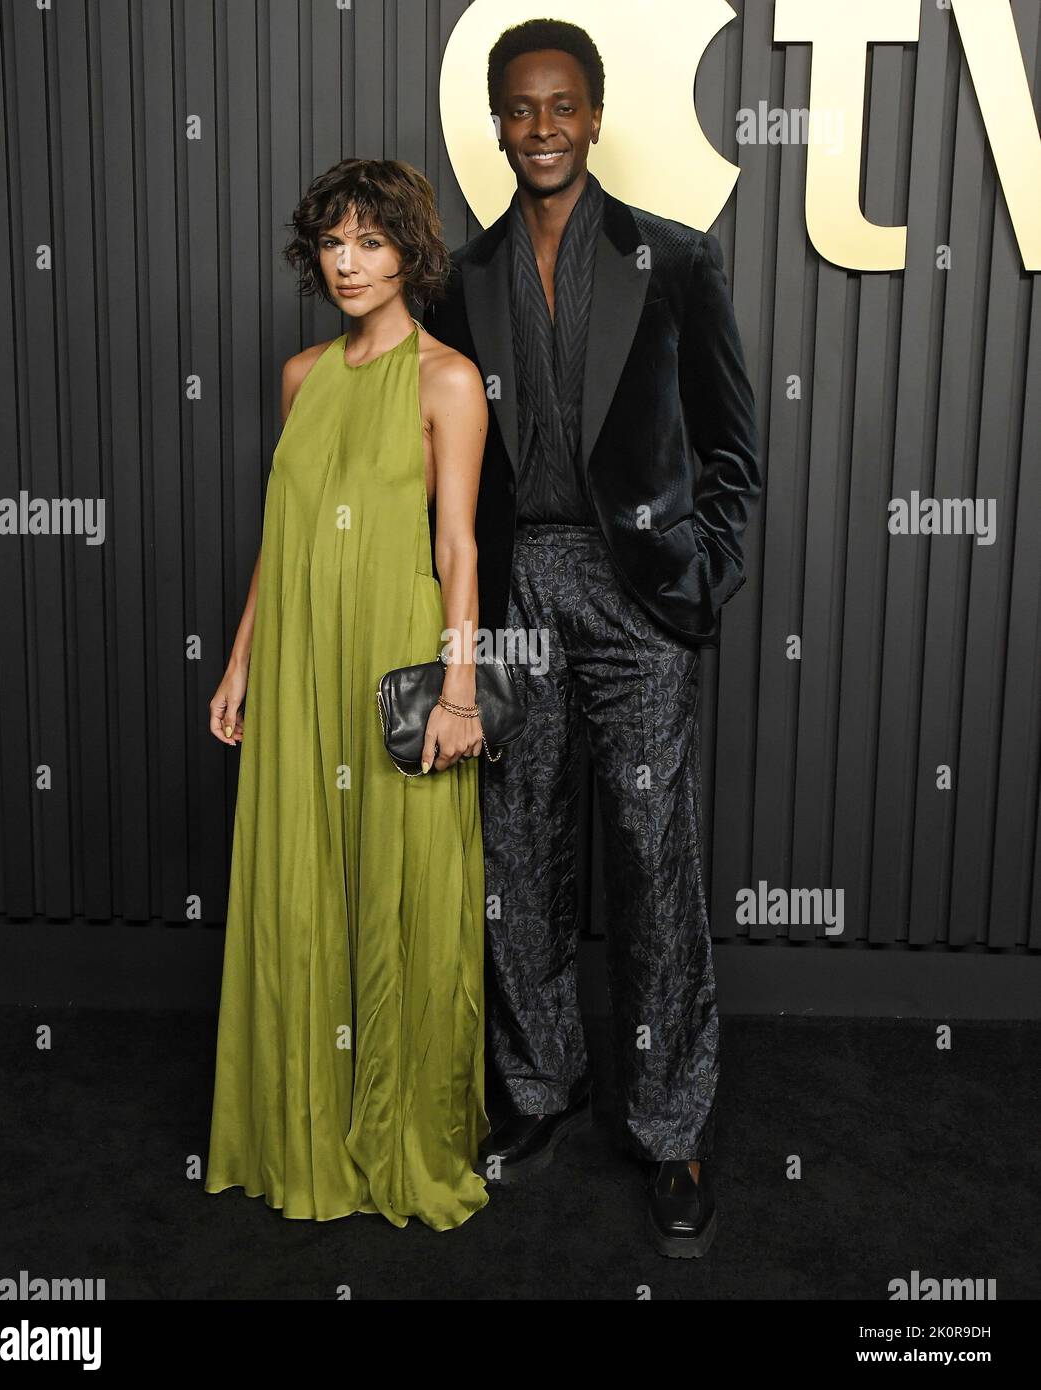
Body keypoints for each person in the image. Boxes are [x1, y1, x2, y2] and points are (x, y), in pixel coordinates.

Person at [423, 18, 761, 1257]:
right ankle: (539, 1087)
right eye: (520, 108)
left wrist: (693, 583)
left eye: (562, 105)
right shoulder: (459, 282)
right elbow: (447, 477)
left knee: (650, 858)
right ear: (499, 124)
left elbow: (730, 450)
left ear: (597, 115)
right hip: (517, 591)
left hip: (633, 597)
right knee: (517, 850)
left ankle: (668, 1126)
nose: (541, 127)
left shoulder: (675, 261)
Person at [204, 158, 491, 1231]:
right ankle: (305, 1128)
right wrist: (242, 659)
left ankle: (397, 1131)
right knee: (301, 879)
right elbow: (281, 538)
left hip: (391, 656)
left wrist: (459, 690)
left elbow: (458, 547)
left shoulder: (446, 380)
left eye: (371, 242)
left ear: (409, 252)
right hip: (298, 662)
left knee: (396, 884)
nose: (348, 262)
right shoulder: (299, 375)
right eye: (333, 242)